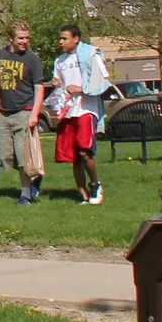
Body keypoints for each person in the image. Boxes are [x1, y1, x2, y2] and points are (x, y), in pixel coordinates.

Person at [48, 23, 114, 205]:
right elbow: (59, 81)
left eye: (65, 38)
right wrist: (56, 82)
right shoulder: (59, 61)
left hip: (86, 109)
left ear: (76, 39)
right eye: (60, 39)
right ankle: (82, 193)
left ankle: (95, 184)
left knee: (84, 150)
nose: (61, 42)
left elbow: (103, 81)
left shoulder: (90, 55)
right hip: (68, 111)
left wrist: (82, 89)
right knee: (73, 155)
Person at [0, 20, 48, 200]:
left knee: (23, 156)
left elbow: (39, 88)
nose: (24, 41)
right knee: (4, 156)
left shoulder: (32, 59)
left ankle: (25, 194)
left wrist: (34, 113)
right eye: (21, 38)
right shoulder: (1, 55)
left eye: (27, 38)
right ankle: (34, 176)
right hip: (4, 113)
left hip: (24, 111)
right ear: (11, 38)